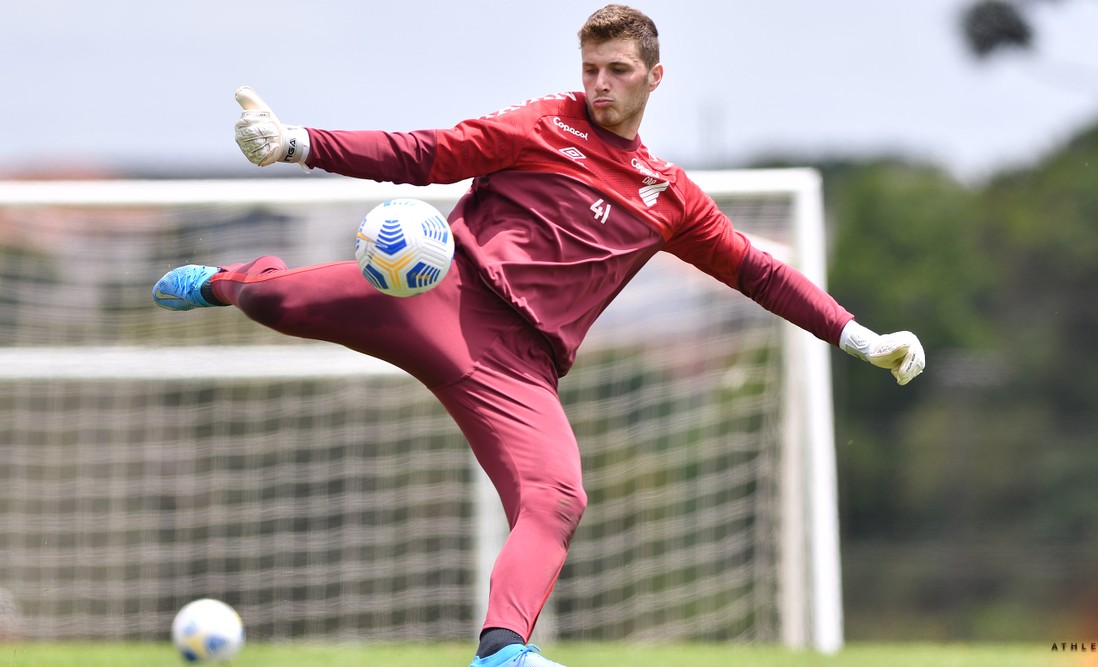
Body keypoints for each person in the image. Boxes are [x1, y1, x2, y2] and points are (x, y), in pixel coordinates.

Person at [152, 5, 925, 666]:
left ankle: (502, 648)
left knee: (556, 495)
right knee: (270, 304)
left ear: (655, 77)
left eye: (617, 69)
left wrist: (857, 335)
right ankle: (227, 280)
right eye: (590, 67)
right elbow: (426, 153)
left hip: (517, 364)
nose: (598, 84)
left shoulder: (670, 196)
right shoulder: (541, 124)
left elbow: (757, 270)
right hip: (439, 292)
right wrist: (297, 144)